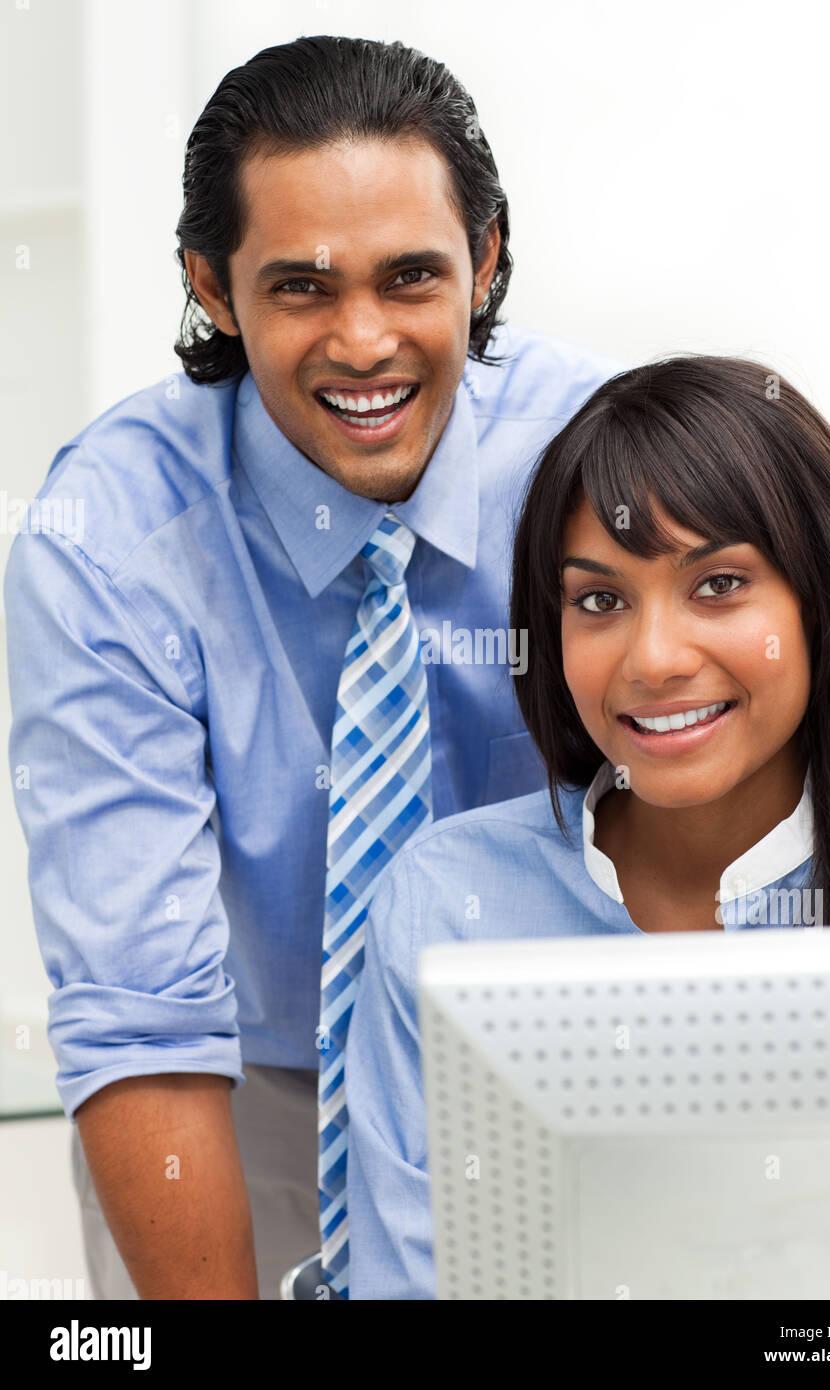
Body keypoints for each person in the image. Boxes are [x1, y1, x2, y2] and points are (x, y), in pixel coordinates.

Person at [2, 34, 627, 1300]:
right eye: (301, 288)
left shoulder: (603, 457)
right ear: (212, 287)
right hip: (244, 1092)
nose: (364, 343)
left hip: (572, 1063)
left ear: (485, 259)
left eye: (411, 278)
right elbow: (141, 1016)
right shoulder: (111, 536)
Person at [342, 354, 830, 1299]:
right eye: (599, 600)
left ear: (822, 603)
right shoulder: (445, 908)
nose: (654, 658)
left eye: (717, 585)